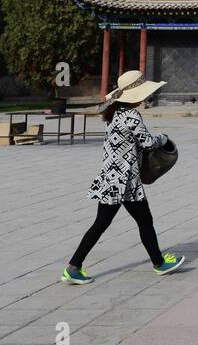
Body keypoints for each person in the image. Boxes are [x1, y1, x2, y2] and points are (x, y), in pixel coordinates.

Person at [61, 70, 185, 284]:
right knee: (129, 222)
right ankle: (158, 263)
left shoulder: (114, 113)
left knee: (125, 221)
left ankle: (74, 267)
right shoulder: (131, 115)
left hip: (112, 177)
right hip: (125, 180)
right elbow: (147, 142)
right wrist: (163, 138)